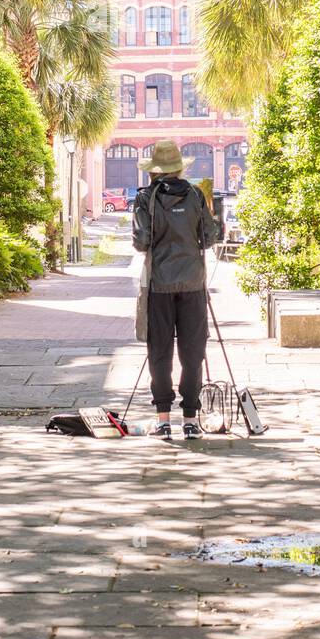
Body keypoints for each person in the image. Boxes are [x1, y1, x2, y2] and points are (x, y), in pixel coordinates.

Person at [132, 140, 220, 440]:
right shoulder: (196, 194)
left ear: (153, 172)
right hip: (193, 283)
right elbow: (209, 238)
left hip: (159, 284)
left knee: (160, 351)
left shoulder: (145, 198)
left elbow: (141, 241)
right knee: (193, 351)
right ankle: (192, 419)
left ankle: (163, 419)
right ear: (180, 168)